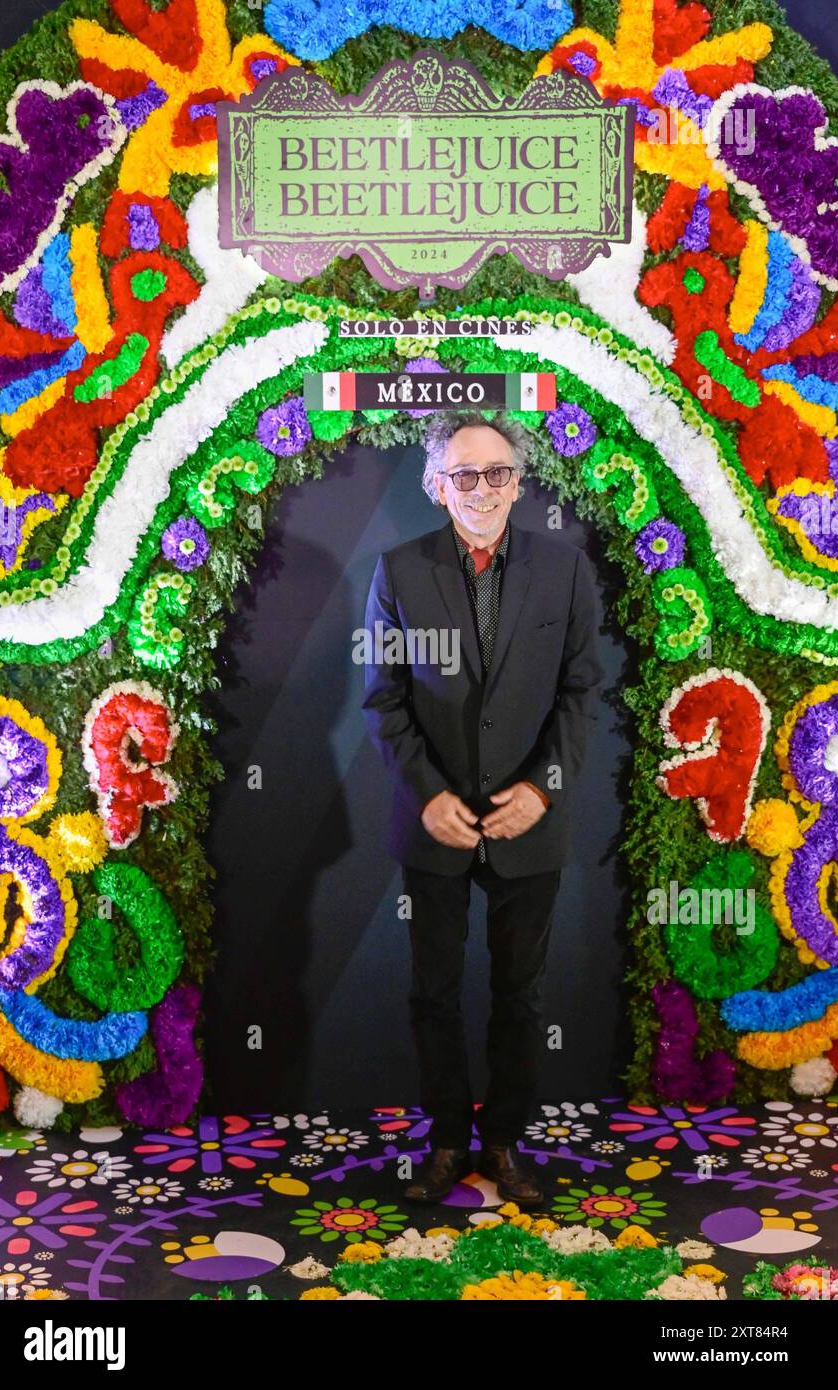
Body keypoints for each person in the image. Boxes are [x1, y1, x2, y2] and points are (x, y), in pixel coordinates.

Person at [361, 410, 604, 1206]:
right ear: (437, 487)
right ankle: (445, 1141)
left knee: (520, 994)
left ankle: (502, 1143)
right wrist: (426, 795)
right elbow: (383, 700)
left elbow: (580, 693)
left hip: (530, 822)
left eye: (497, 472)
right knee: (432, 991)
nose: (483, 488)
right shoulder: (397, 573)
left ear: (519, 482)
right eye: (464, 475)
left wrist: (542, 789)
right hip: (433, 824)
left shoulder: (564, 571)